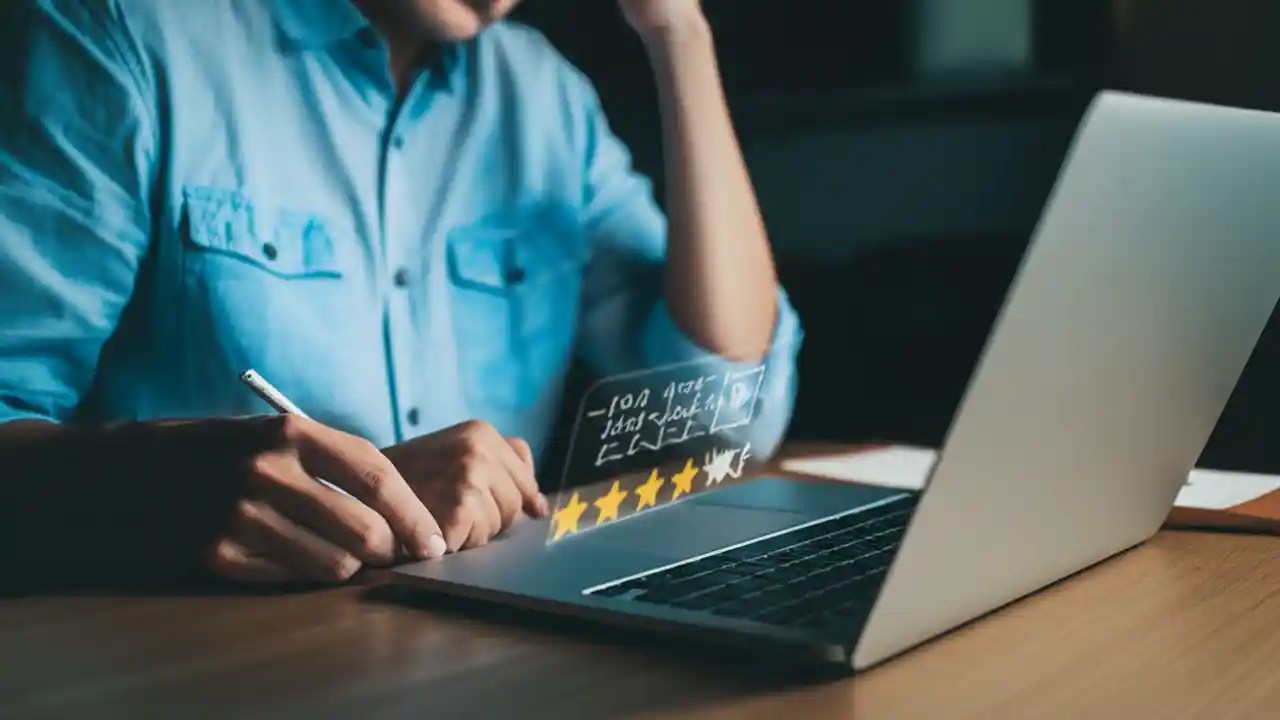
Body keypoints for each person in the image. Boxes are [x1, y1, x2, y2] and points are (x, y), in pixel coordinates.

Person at [0, 0, 802, 588]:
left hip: (482, 652)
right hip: (185, 658)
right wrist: (159, 485)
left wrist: (679, 35)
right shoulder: (120, 36)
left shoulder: (543, 95)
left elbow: (725, 417)